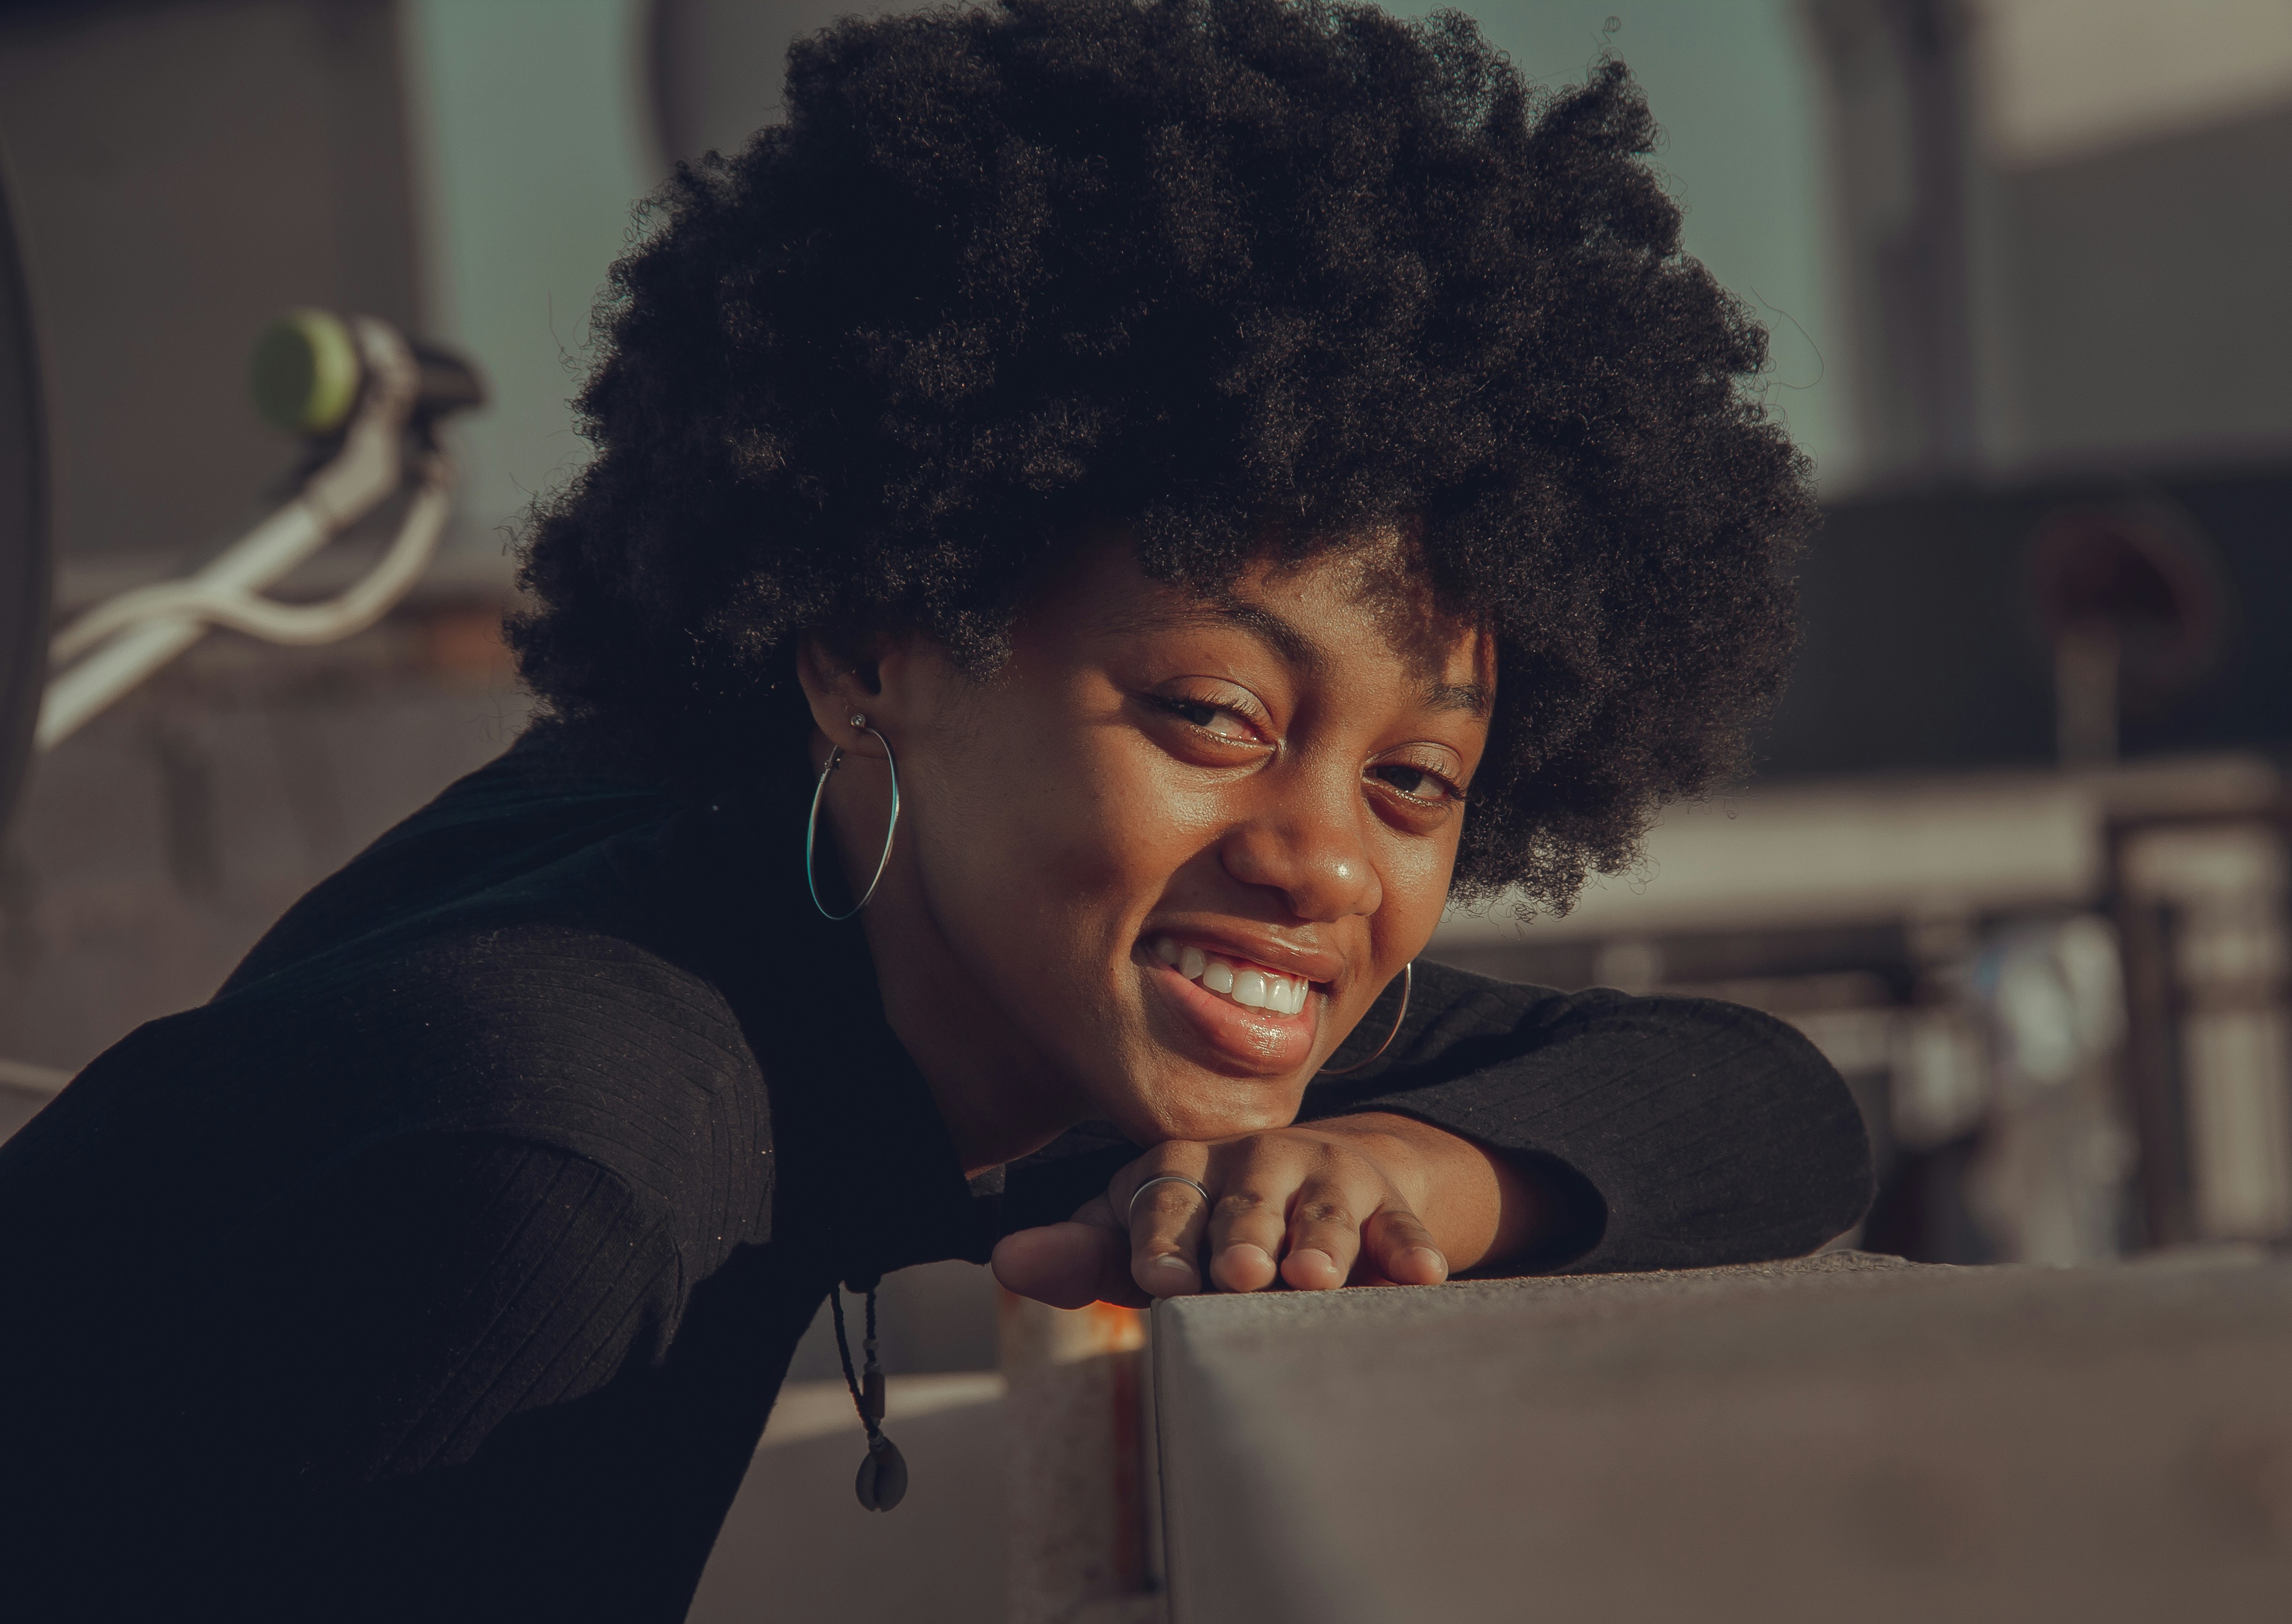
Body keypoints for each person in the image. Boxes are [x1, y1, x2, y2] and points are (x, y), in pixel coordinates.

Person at [0, 1, 1868, 1617]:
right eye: (1212, 713)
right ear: (865, 647)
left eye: (1415, 780)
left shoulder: (865, 901)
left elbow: (1760, 1104)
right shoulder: (559, 1171)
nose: (1320, 861)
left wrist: (1411, 1172)